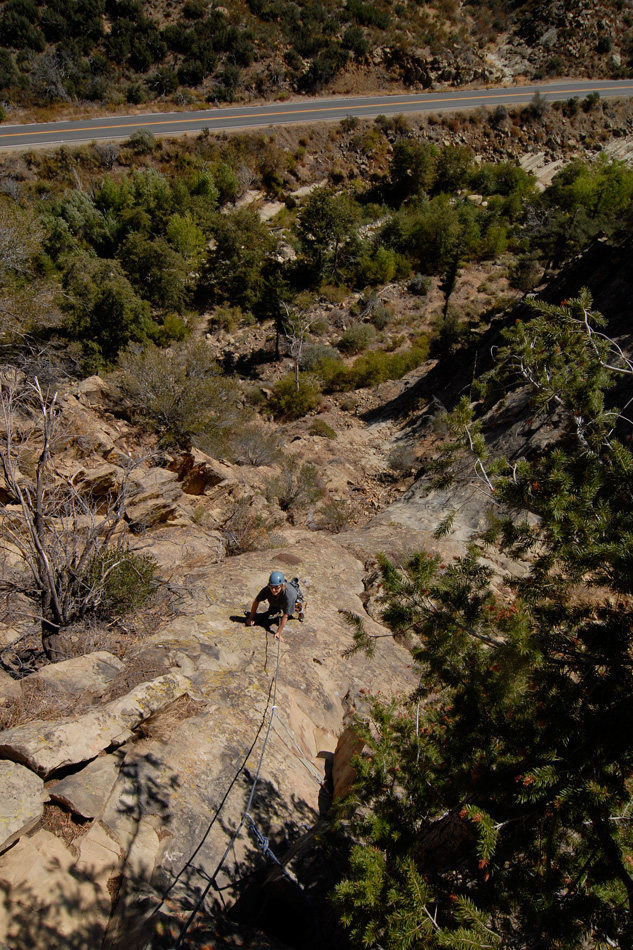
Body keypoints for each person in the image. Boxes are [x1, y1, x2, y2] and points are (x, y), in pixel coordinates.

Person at [246, 571, 305, 641]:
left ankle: (299, 609)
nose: (273, 590)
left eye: (277, 587)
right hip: (277, 601)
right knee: (272, 611)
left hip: (293, 599)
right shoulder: (267, 589)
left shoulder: (290, 595)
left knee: (293, 610)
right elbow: (257, 601)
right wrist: (251, 618)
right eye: (271, 587)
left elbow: (286, 615)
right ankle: (277, 608)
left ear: (282, 585)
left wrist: (278, 632)